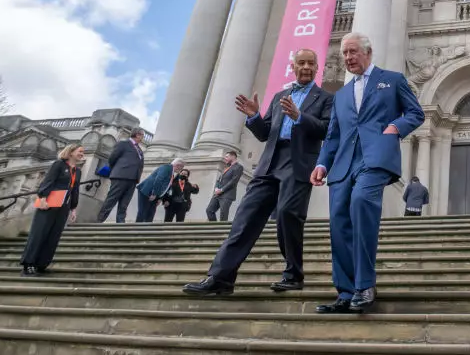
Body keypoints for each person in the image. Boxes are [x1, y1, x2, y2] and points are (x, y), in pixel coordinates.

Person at [183, 48, 333, 296]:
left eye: (311, 63)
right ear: (293, 66)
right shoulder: (279, 96)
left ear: (317, 68)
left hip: (298, 162)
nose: (306, 67)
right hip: (269, 163)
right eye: (302, 63)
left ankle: (293, 274)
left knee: (287, 216)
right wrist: (254, 116)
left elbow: (326, 129)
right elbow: (265, 133)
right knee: (244, 218)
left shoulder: (326, 98)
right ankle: (220, 278)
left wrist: (299, 116)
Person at [312, 32, 424, 314]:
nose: (348, 58)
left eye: (352, 52)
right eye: (344, 54)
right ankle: (346, 291)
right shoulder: (341, 96)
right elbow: (333, 135)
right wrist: (322, 163)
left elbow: (415, 113)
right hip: (343, 165)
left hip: (376, 157)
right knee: (338, 222)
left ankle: (365, 285)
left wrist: (395, 128)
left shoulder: (392, 80)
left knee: (361, 202)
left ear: (368, 52)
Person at [21, 144, 84, 276]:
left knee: (53, 236)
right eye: (80, 151)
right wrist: (43, 198)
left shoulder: (77, 171)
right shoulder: (58, 165)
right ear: (71, 152)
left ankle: (42, 264)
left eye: (82, 152)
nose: (81, 154)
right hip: (49, 204)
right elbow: (48, 181)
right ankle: (28, 264)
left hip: (63, 207)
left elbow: (75, 190)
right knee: (39, 234)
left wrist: (73, 208)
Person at [96, 128, 145, 224]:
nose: (143, 137)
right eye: (142, 135)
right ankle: (99, 220)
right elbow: (112, 158)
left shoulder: (139, 149)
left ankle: (120, 222)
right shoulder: (123, 144)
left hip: (133, 179)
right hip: (121, 176)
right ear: (137, 135)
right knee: (112, 199)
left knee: (125, 203)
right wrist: (117, 171)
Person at [136, 158, 183, 223]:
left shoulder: (171, 172)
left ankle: (146, 231)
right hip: (147, 191)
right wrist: (154, 193)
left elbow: (165, 188)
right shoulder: (166, 168)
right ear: (178, 165)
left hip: (155, 194)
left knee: (151, 213)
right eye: (182, 167)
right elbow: (159, 180)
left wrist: (160, 198)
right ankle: (137, 230)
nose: (181, 169)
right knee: (143, 212)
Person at [206, 151, 244, 222]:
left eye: (227, 156)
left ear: (233, 157)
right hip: (217, 194)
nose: (225, 158)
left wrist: (222, 190)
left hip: (227, 194)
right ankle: (214, 228)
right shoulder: (226, 168)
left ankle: (221, 232)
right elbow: (219, 180)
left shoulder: (239, 167)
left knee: (223, 215)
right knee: (209, 210)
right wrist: (216, 188)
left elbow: (233, 181)